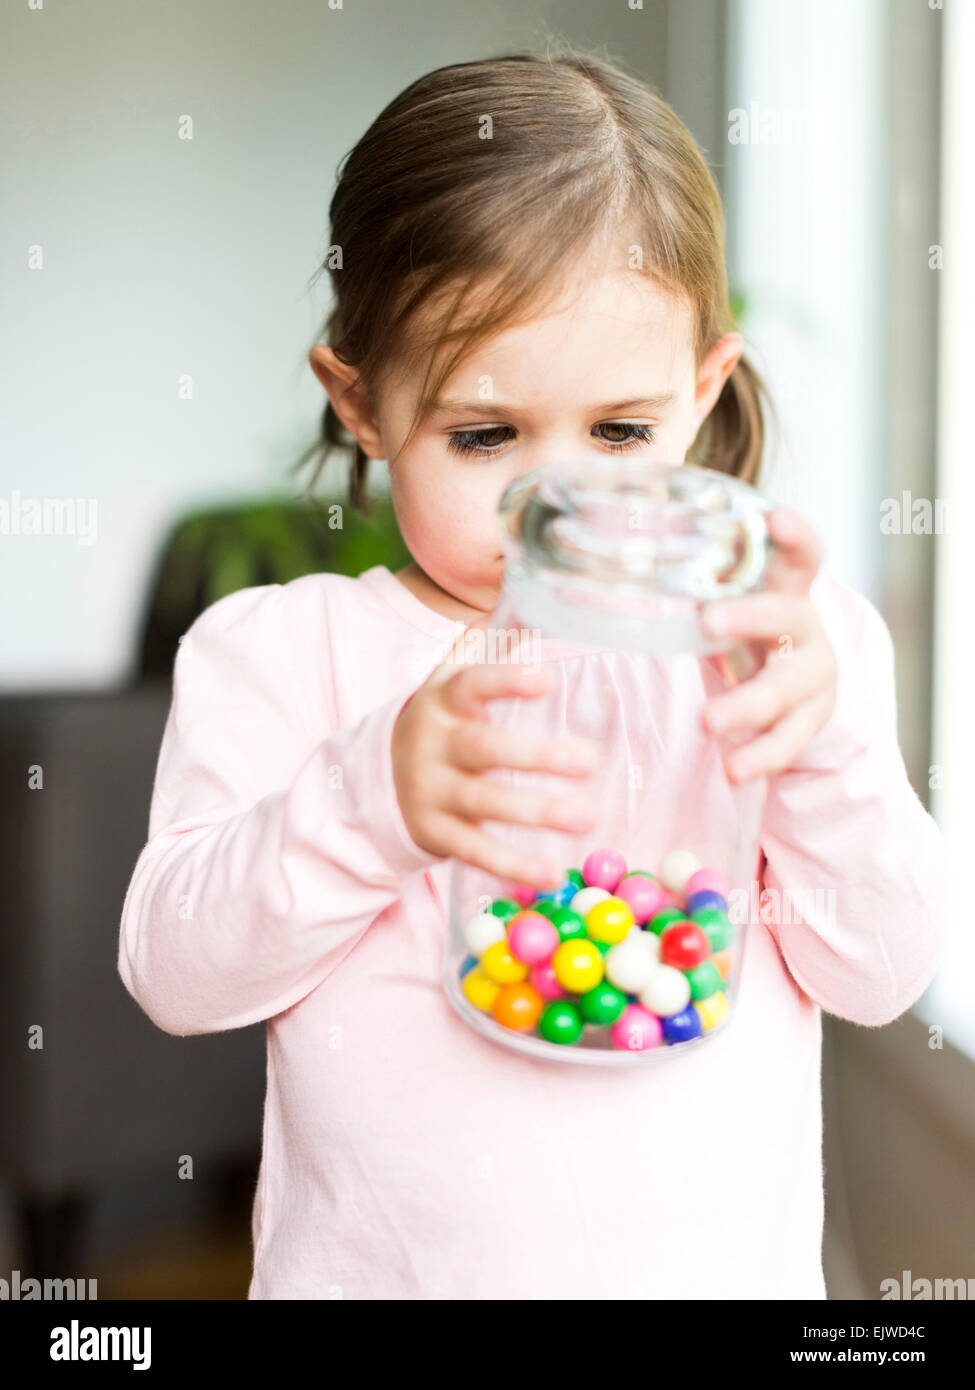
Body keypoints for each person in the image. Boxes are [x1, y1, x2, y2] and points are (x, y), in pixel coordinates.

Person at [118, 49, 947, 1299]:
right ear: (362, 402)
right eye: (485, 434)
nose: (558, 500)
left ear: (702, 389)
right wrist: (369, 796)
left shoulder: (785, 644)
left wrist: (819, 749)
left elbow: (882, 973)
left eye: (621, 430)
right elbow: (174, 975)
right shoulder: (287, 654)